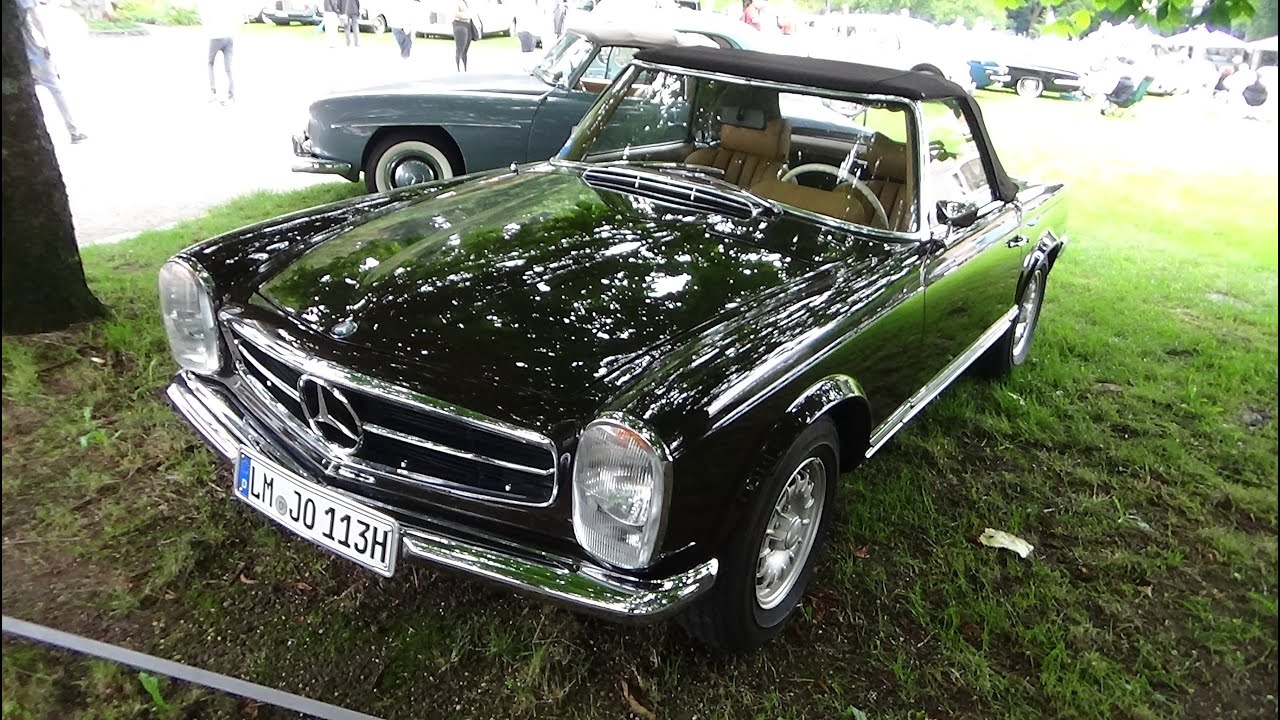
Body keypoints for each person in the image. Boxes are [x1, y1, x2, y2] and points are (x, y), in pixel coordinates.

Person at [18, 0, 86, 143]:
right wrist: (46, 43)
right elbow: (35, 18)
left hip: (14, 52)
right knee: (56, 89)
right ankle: (73, 130)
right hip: (31, 48)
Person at [200, 0, 238, 104]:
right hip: (229, 36)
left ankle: (213, 93)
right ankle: (231, 96)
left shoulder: (209, 5)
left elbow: (205, 20)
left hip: (216, 36)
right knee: (228, 67)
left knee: (210, 63)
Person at [453, 0, 474, 72]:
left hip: (468, 24)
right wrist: (467, 15)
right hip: (460, 24)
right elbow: (455, 13)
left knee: (466, 47)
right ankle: (458, 68)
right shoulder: (457, 2)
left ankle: (465, 68)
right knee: (460, 47)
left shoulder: (467, 2)